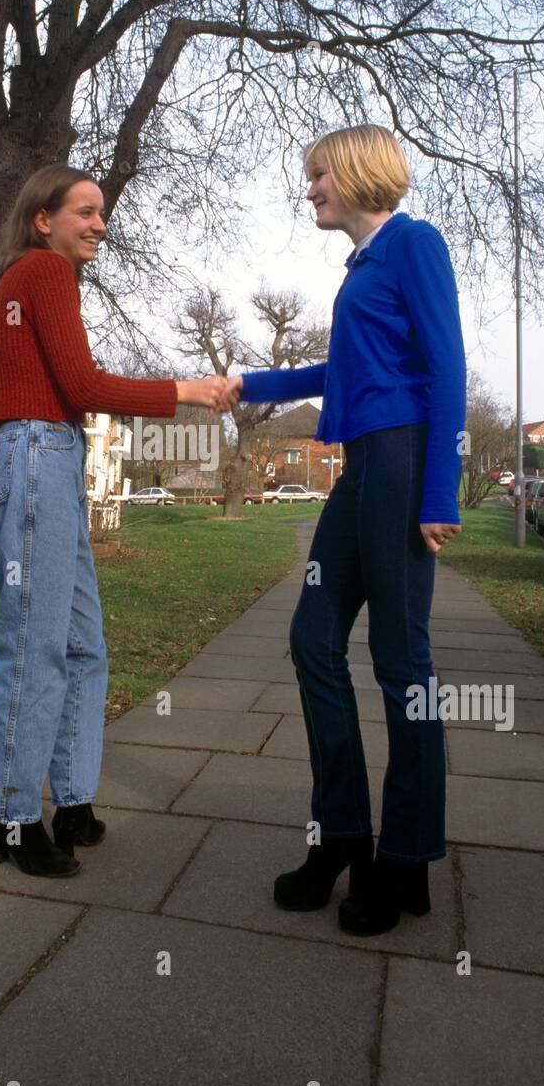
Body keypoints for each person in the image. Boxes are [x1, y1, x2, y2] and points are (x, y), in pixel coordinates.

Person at [216, 124, 467, 935]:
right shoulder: (361, 268)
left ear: (357, 173)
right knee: (314, 641)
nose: (311, 188)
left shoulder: (414, 244)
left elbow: (450, 366)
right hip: (360, 469)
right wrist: (247, 382)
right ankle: (343, 835)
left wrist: (440, 494)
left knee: (402, 662)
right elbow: (342, 373)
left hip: (401, 466)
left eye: (317, 173)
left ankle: (406, 857)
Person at [0, 163, 226, 878]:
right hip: (36, 457)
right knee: (37, 648)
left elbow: (68, 388)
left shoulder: (27, 279)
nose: (99, 224)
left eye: (103, 214)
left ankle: (74, 800)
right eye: (84, 211)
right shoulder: (45, 272)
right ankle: (15, 819)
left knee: (84, 644)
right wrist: (187, 390)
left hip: (47, 457)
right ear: (43, 219)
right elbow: (84, 386)